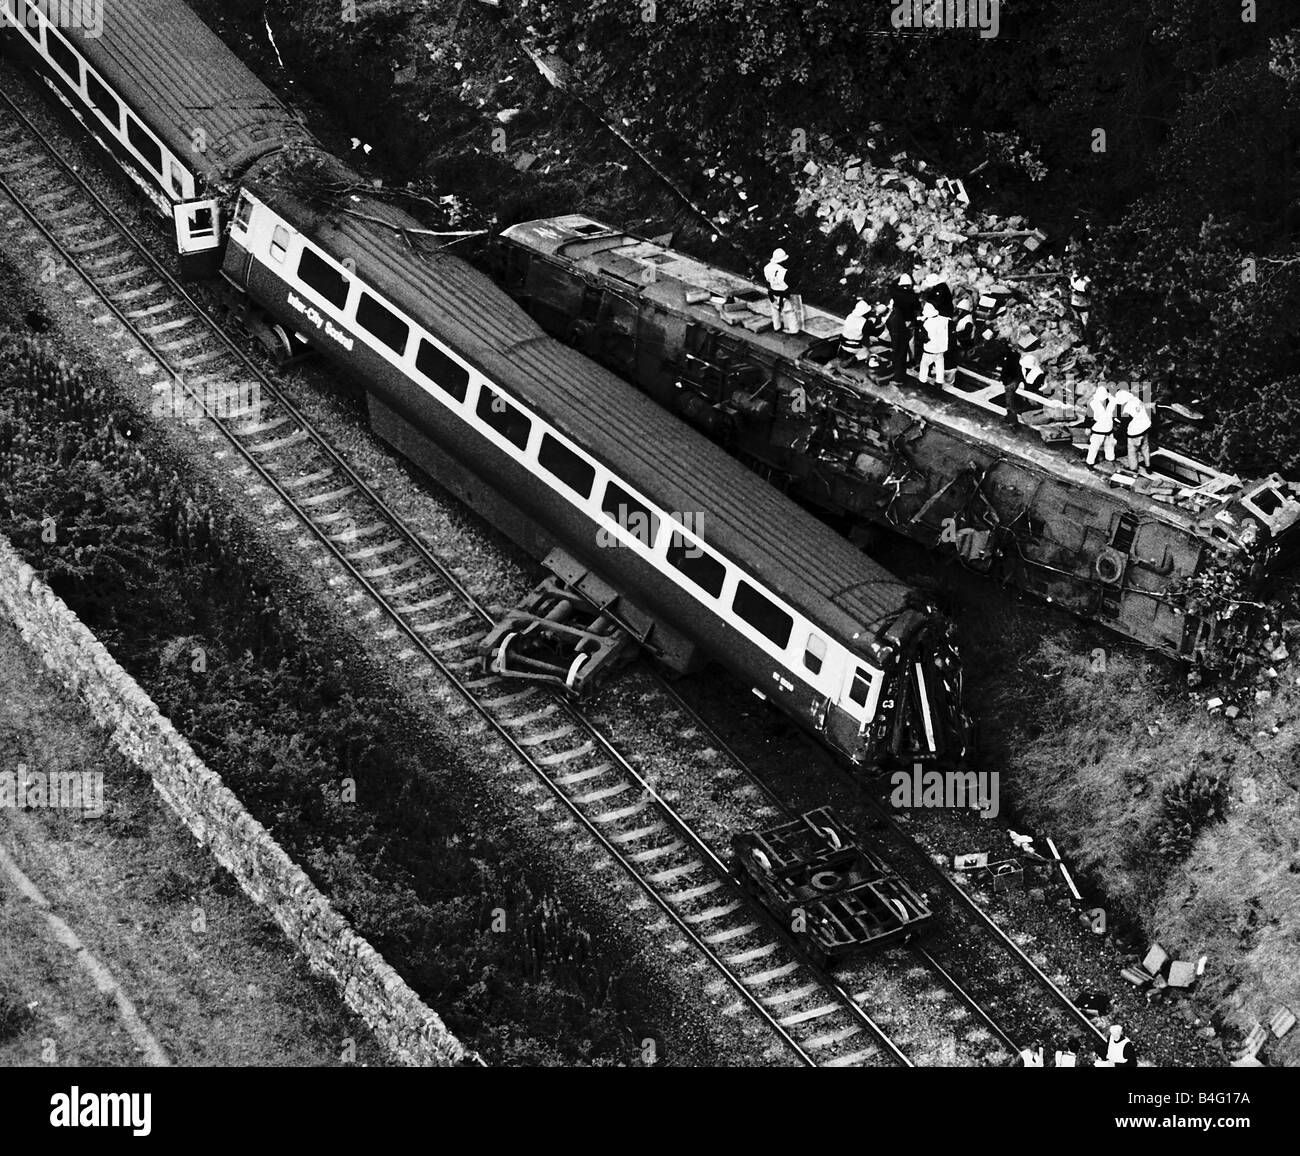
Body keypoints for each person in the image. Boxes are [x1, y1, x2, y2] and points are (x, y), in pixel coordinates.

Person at [887, 274, 919, 383]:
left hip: (898, 322)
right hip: (909, 321)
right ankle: (912, 360)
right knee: (911, 341)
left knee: (899, 341)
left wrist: (898, 278)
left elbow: (891, 285)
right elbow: (918, 308)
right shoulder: (913, 296)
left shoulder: (896, 293)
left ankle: (900, 359)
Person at [1114, 388, 1152, 471]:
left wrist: (1117, 436)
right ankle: (1148, 466)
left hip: (1135, 433)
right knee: (1145, 448)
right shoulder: (1136, 399)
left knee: (1132, 452)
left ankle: (1133, 468)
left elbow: (1124, 424)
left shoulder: (1127, 408)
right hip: (1145, 429)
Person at [1085, 382, 1117, 468]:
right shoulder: (1093, 404)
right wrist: (1088, 427)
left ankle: (1110, 460)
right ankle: (1089, 463)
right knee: (1094, 447)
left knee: (1110, 446)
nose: (1102, 400)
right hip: (1098, 429)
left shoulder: (1112, 401)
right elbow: (1088, 417)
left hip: (1109, 428)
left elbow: (1115, 413)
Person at [918, 301, 949, 387]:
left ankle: (922, 381)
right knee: (940, 365)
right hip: (941, 348)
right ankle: (939, 382)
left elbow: (923, 338)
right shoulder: (944, 319)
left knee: (924, 365)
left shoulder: (926, 324)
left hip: (930, 349)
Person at [835, 298, 872, 368]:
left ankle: (843, 356)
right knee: (867, 352)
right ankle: (855, 358)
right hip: (854, 347)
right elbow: (869, 334)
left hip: (843, 343)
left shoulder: (849, 316)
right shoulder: (865, 322)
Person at [764, 247, 794, 332]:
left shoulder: (766, 268)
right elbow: (790, 283)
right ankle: (793, 330)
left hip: (772, 292)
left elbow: (767, 280)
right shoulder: (783, 271)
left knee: (775, 311)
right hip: (783, 293)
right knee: (789, 312)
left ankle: (776, 327)